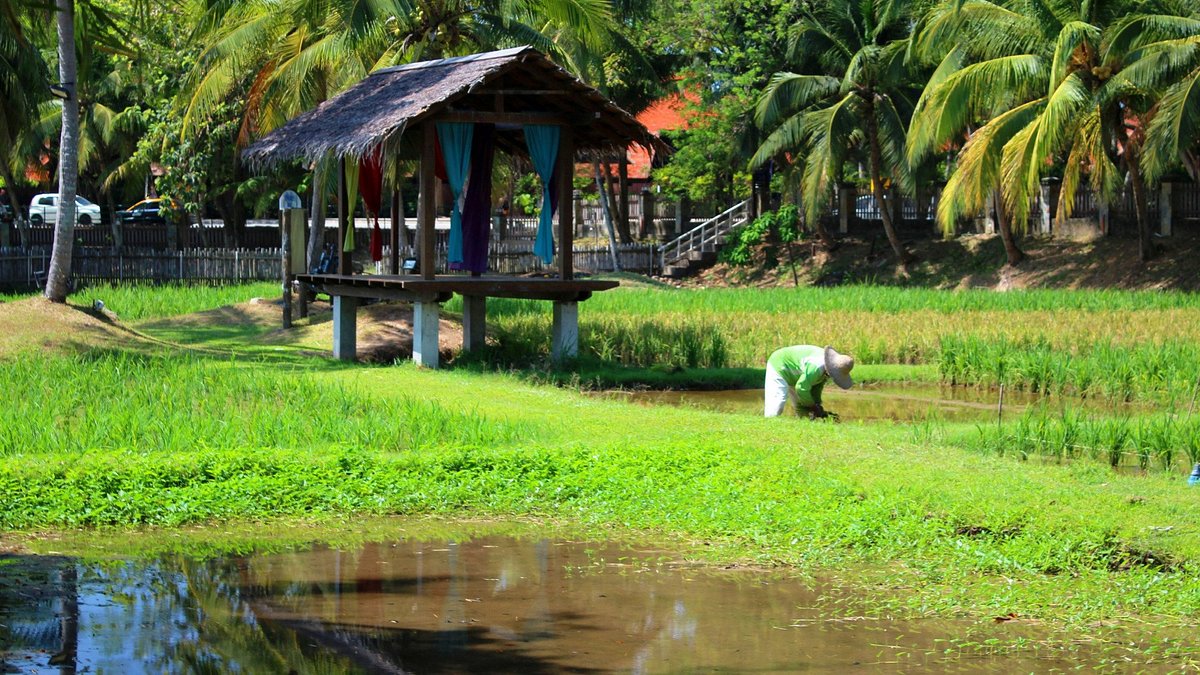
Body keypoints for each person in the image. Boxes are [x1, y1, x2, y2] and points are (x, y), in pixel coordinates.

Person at [764, 345, 854, 419]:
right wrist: (812, 406)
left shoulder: (825, 371)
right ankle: (767, 430)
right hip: (779, 366)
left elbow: (817, 386)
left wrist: (817, 404)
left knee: (804, 415)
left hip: (798, 376)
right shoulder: (816, 367)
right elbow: (801, 388)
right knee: (776, 408)